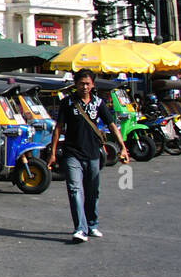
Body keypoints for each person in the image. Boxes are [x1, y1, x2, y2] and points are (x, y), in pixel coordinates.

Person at [46, 69, 130, 243]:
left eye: (88, 84)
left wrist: (123, 147)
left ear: (92, 85)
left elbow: (113, 126)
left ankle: (92, 224)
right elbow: (58, 128)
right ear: (75, 84)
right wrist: (53, 153)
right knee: (75, 190)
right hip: (72, 154)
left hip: (93, 154)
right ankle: (80, 229)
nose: (84, 87)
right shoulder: (68, 103)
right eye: (81, 83)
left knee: (93, 192)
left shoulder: (99, 103)